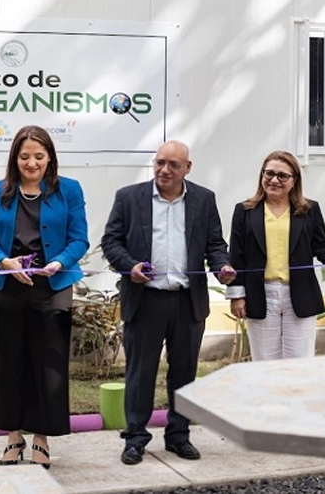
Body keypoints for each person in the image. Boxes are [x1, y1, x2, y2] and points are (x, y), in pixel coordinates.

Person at [100, 140, 235, 466]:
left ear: (187, 168)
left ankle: (178, 436)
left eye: (173, 165)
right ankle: (135, 439)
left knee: (185, 375)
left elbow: (215, 244)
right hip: (145, 300)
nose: (164, 170)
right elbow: (110, 241)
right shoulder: (129, 197)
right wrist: (129, 266)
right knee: (140, 373)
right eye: (160, 162)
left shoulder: (204, 199)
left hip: (187, 302)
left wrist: (222, 267)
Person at [0, 125, 89, 469]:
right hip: (9, 288)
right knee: (8, 364)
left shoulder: (68, 189)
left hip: (52, 289)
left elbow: (79, 239)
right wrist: (3, 261)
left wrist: (59, 262)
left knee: (48, 366)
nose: (31, 163)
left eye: (39, 156)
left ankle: (42, 438)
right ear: (15, 158)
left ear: (50, 157)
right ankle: (13, 437)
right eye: (24, 156)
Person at [226, 151, 325, 360]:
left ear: (294, 181)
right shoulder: (244, 211)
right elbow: (237, 256)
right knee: (265, 362)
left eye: (282, 176)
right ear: (261, 176)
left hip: (300, 293)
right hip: (260, 295)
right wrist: (237, 295)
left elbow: (321, 245)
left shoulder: (309, 210)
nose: (274, 180)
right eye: (269, 174)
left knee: (300, 361)